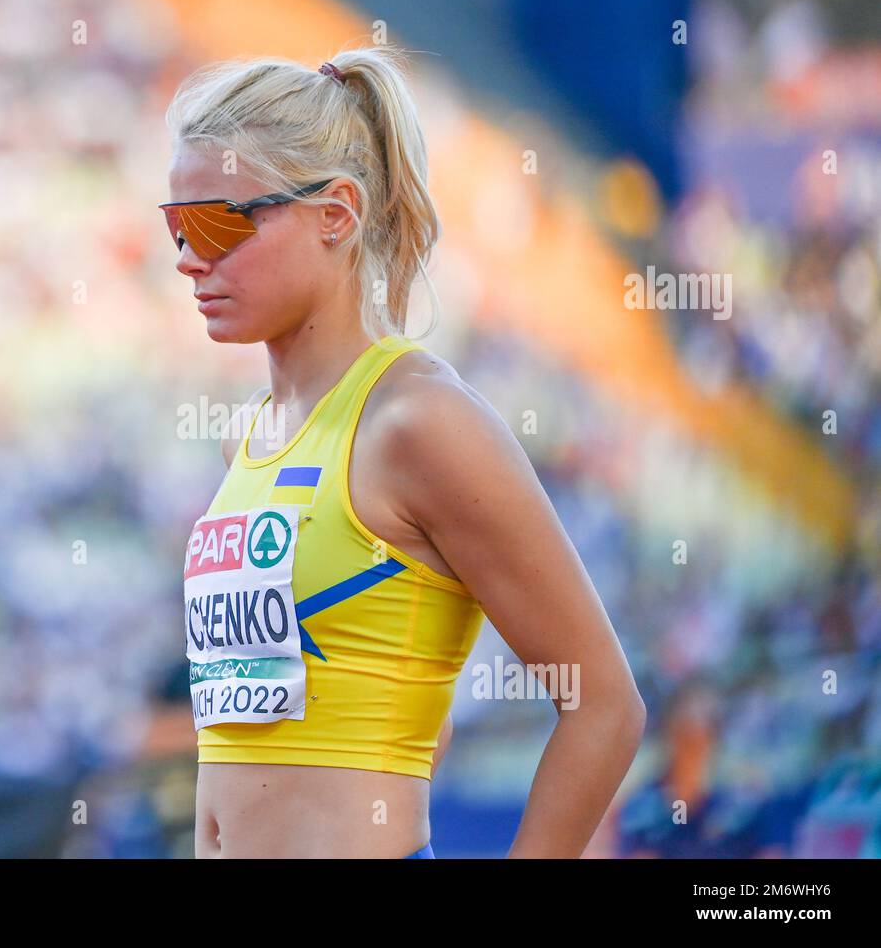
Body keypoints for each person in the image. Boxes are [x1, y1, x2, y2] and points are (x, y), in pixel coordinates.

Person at [163, 45, 645, 858]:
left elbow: (603, 704)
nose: (188, 258)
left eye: (218, 223)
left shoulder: (418, 421)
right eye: (176, 226)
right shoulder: (246, 432)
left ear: (337, 213)